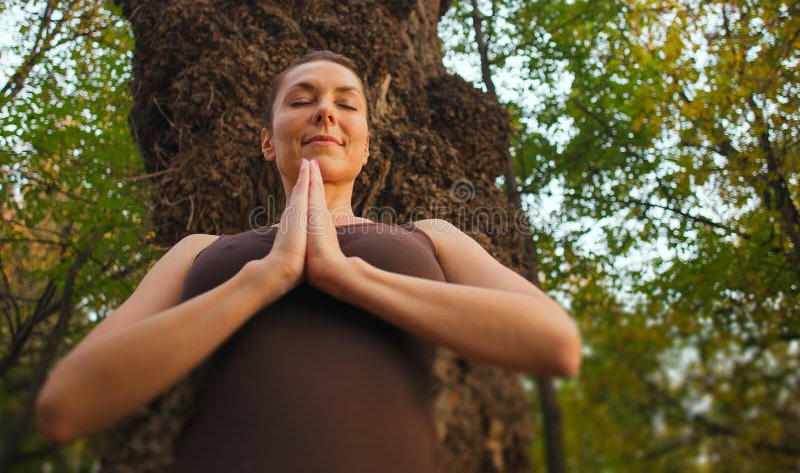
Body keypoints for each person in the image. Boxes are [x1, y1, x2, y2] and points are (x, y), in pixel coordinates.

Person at [35, 50, 582, 471]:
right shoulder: (196, 250)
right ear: (269, 142)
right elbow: (65, 405)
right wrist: (265, 278)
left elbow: (555, 343)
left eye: (347, 103)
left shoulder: (431, 236)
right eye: (301, 100)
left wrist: (348, 276)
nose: (325, 110)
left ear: (365, 145)